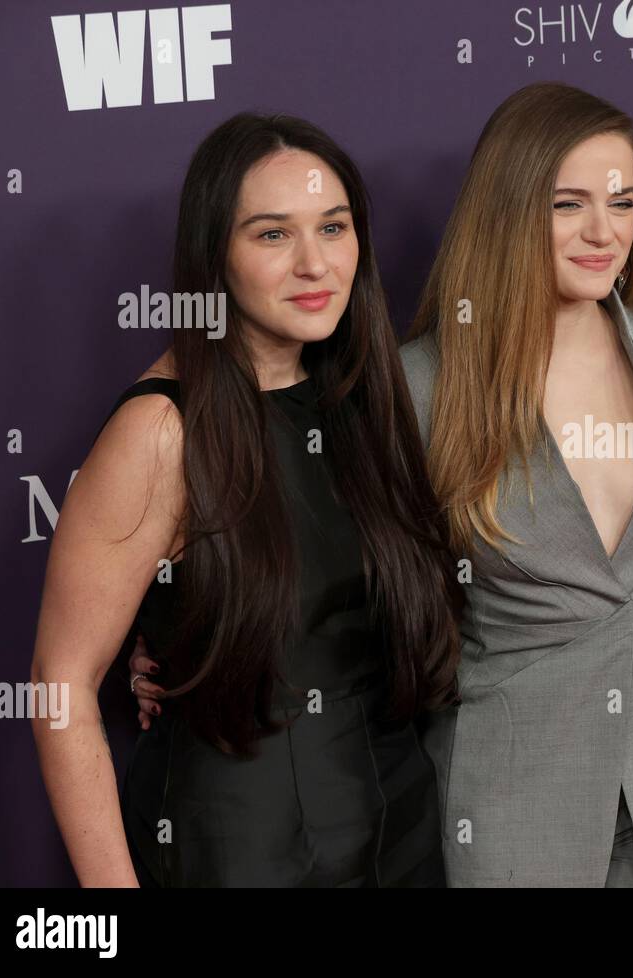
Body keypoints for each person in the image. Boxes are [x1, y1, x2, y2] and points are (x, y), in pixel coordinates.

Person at [36, 113, 461, 887]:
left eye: (333, 227)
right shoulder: (162, 429)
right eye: (272, 235)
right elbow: (61, 687)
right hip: (233, 855)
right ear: (214, 256)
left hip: (398, 838)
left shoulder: (364, 398)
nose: (314, 263)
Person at [399, 82, 633, 886]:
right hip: (512, 793)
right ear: (510, 207)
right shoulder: (421, 385)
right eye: (568, 203)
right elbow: (367, 590)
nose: (603, 231)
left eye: (623, 202)